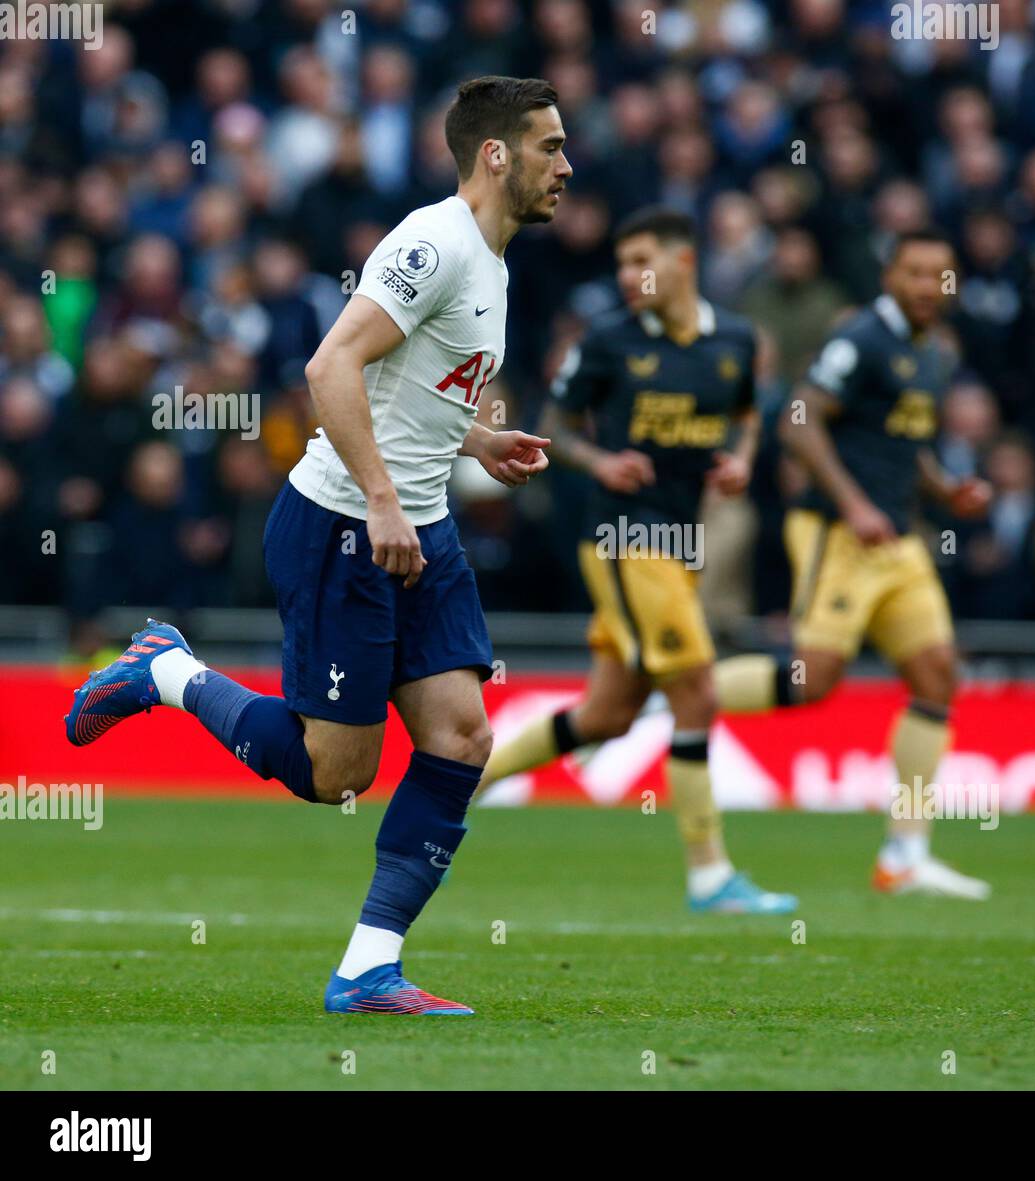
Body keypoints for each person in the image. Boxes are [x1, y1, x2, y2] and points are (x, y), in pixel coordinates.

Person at [64, 76, 571, 1016]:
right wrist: (381, 498)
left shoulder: (493, 263)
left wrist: (477, 439)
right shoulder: (435, 243)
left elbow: (405, 389)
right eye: (549, 147)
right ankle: (166, 671)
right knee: (334, 774)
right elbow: (328, 365)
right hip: (347, 523)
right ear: (496, 154)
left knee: (461, 734)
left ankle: (367, 969)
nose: (565, 166)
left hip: (419, 525)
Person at [477, 206, 797, 915]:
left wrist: (741, 461)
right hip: (624, 540)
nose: (627, 276)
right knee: (696, 692)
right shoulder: (609, 342)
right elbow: (555, 423)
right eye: (621, 263)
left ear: (685, 262)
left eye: (641, 259)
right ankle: (711, 873)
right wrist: (600, 459)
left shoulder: (737, 340)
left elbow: (748, 412)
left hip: (681, 539)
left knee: (607, 714)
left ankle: (466, 777)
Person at [711, 229, 994, 900]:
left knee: (936, 676)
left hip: (897, 538)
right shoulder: (861, 338)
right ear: (890, 274)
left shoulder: (933, 354)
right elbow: (799, 421)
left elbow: (905, 443)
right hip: (840, 530)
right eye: (916, 272)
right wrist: (856, 504)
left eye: (941, 274)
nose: (930, 285)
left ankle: (905, 853)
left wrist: (944, 487)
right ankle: (677, 695)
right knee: (815, 680)